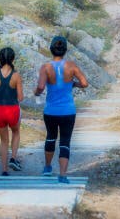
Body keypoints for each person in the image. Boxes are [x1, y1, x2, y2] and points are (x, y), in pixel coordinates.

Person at [34, 36, 88, 184]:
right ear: (65, 50)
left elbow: (40, 87)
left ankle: (47, 167)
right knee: (65, 141)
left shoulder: (46, 67)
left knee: (50, 137)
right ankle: (63, 175)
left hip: (51, 111)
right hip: (68, 111)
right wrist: (73, 84)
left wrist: (36, 93)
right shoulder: (72, 66)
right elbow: (84, 83)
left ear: (51, 49)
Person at [0, 47, 24, 176]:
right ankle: (13, 158)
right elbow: (20, 97)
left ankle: (4, 170)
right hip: (12, 109)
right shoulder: (16, 75)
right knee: (16, 132)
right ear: (13, 59)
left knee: (3, 141)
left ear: (0, 58)